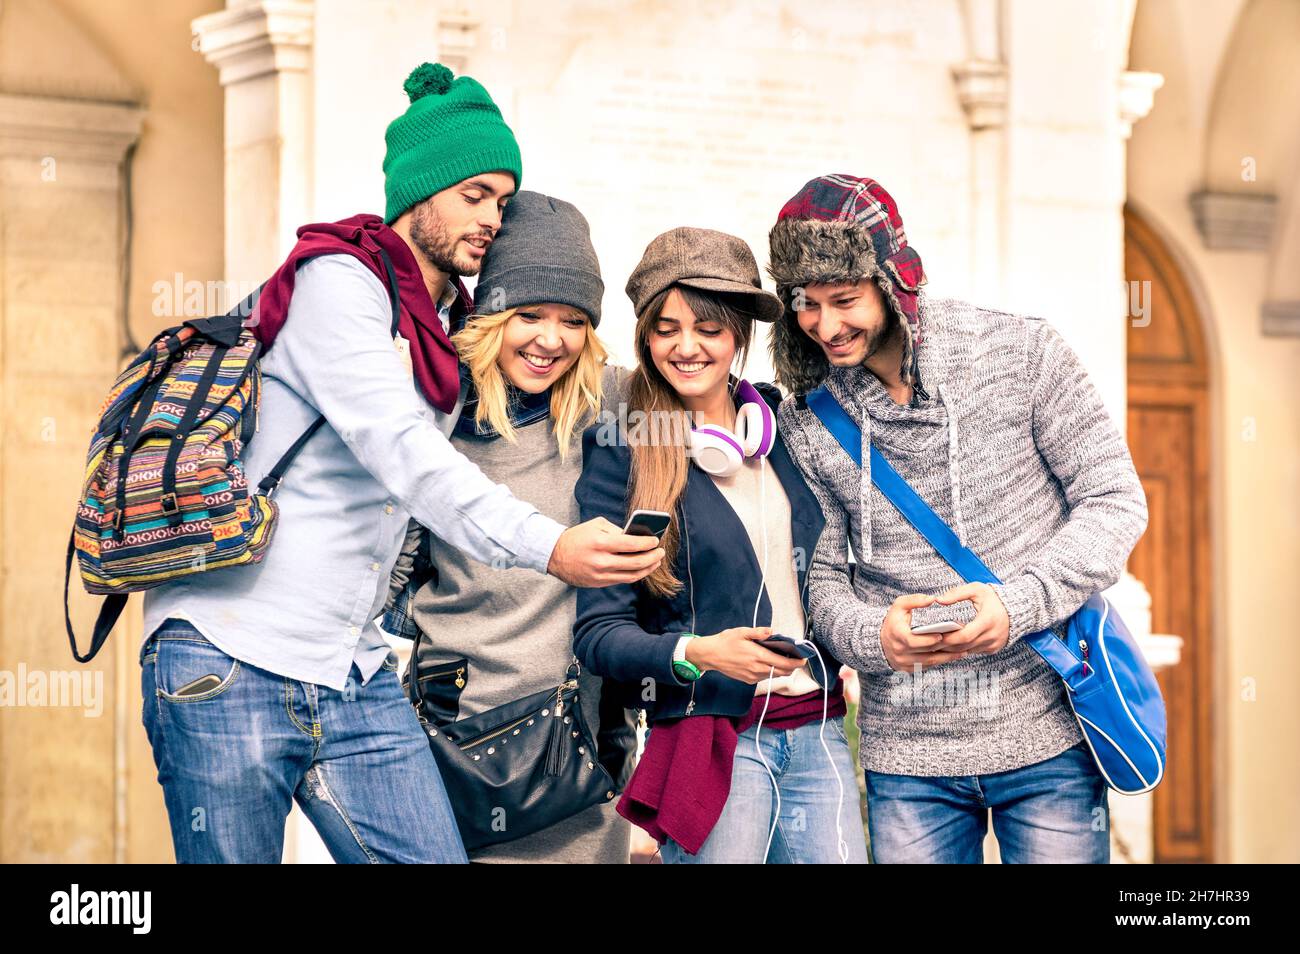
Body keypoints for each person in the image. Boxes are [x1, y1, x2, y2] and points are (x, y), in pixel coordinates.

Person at [138, 63, 661, 864]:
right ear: (419, 192)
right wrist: (551, 547)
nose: (491, 218)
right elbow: (405, 455)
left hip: (351, 670)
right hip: (230, 652)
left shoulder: (437, 323)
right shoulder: (337, 284)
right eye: (474, 194)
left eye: (502, 200)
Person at [768, 173, 1149, 863]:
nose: (825, 327)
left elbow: (1115, 500)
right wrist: (875, 636)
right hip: (906, 759)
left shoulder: (1021, 352)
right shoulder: (806, 420)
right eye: (806, 305)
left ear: (892, 282)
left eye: (845, 301)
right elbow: (816, 579)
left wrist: (1018, 604)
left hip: (1049, 736)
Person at [574, 227, 869, 864]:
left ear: (739, 335)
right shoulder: (623, 448)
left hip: (819, 729)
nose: (686, 348)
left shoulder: (783, 427)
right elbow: (598, 635)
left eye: (708, 329)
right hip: (713, 742)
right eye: (666, 329)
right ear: (645, 337)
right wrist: (698, 653)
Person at [386, 190, 634, 863]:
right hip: (462, 744)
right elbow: (388, 576)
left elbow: (707, 389)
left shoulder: (610, 403)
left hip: (581, 754)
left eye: (573, 320)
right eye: (528, 315)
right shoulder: (434, 416)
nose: (552, 340)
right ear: (490, 317)